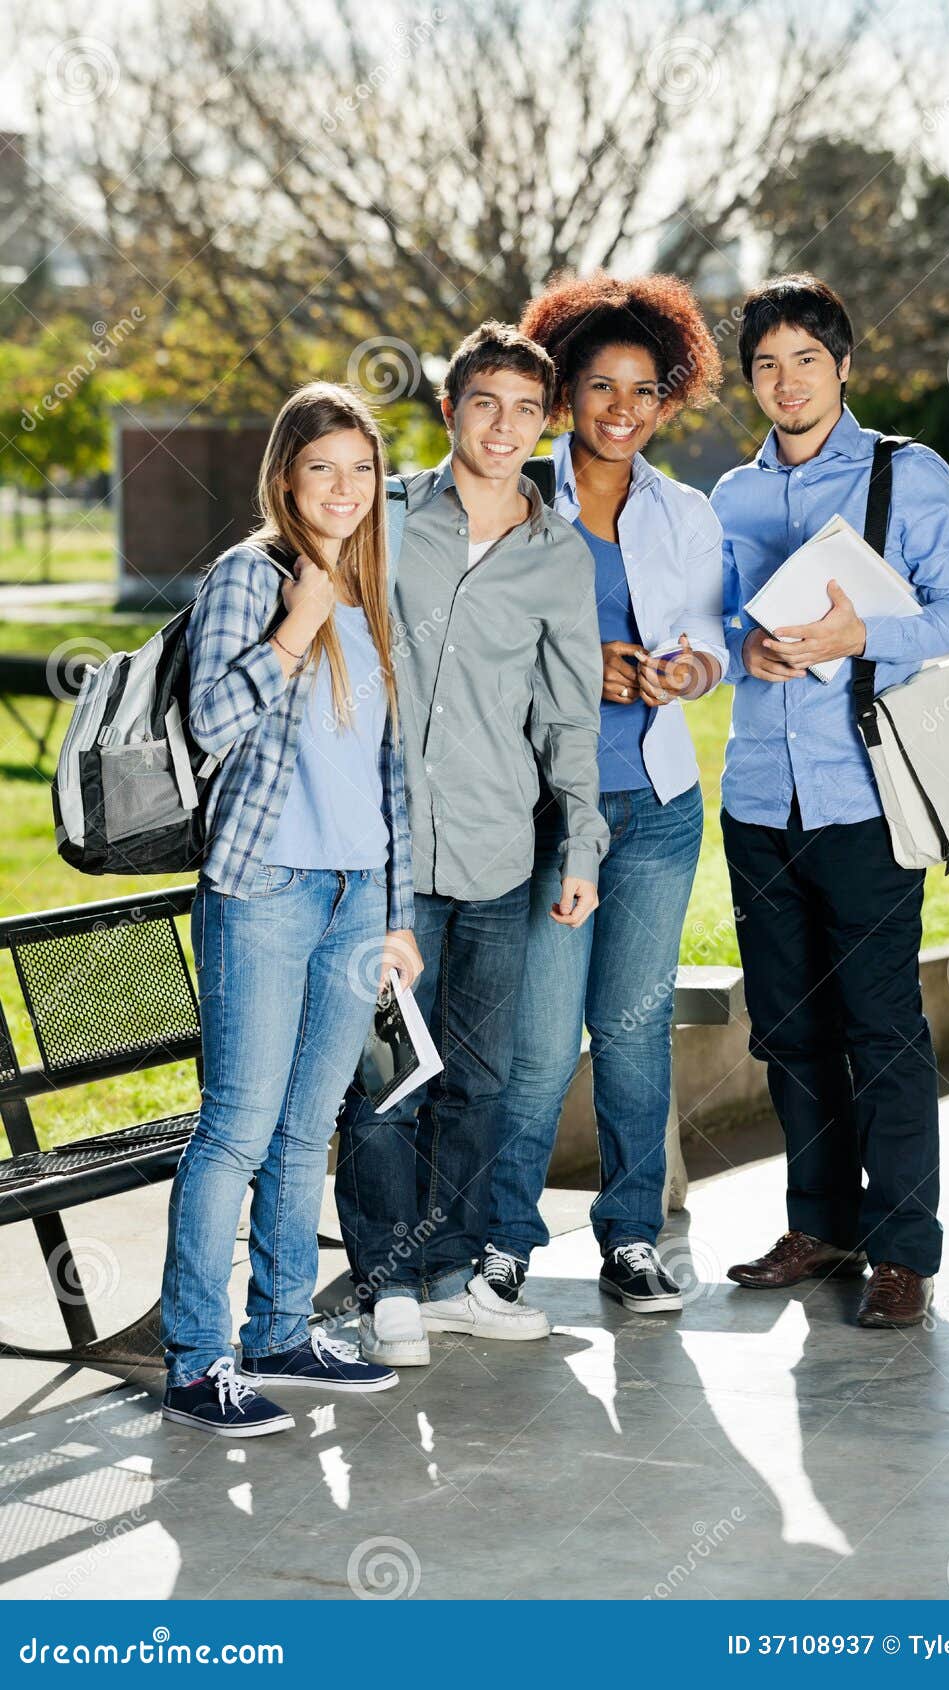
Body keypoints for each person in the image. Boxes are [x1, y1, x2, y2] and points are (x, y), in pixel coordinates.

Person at [710, 274, 949, 1328]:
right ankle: (818, 1225)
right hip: (755, 802)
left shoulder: (903, 477)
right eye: (764, 365)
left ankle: (901, 1249)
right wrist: (743, 649)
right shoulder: (731, 498)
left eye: (804, 361)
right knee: (786, 1029)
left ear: (841, 366)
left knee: (879, 1029)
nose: (784, 382)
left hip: (866, 798)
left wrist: (855, 635)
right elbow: (709, 638)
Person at [334, 321, 609, 1367]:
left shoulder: (557, 557)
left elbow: (568, 715)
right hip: (382, 861)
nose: (503, 427)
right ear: (449, 410)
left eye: (525, 410)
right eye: (482, 403)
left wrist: (580, 845)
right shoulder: (389, 515)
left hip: (498, 854)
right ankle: (383, 1284)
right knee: (387, 1077)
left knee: (480, 1080)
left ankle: (449, 1275)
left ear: (546, 423)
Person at [161, 383, 422, 1436]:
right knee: (235, 1127)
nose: (344, 489)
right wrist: (292, 630)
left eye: (361, 469)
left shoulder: (371, 592)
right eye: (323, 468)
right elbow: (207, 718)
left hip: (357, 894)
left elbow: (391, 772)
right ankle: (194, 1360)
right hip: (266, 887)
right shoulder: (250, 577)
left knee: (309, 1122)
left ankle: (278, 1327)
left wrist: (398, 910)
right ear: (285, 477)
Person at [482, 272, 728, 1315]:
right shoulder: (510, 498)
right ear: (561, 393)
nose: (620, 410)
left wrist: (688, 672)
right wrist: (580, 667)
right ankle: (500, 1244)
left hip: (659, 807)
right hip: (548, 813)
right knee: (539, 1042)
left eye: (642, 389)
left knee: (632, 1029)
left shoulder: (685, 511)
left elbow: (711, 635)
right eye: (597, 387)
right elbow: (480, 646)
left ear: (665, 399)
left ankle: (630, 1238)